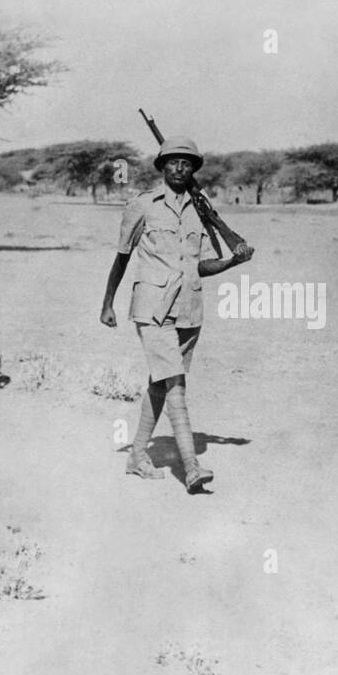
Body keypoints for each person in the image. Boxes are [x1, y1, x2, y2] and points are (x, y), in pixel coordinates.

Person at [100, 137, 252, 493]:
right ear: (162, 166)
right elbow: (121, 257)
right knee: (177, 385)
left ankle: (137, 455)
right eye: (173, 162)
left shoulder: (201, 208)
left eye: (187, 163)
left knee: (161, 381)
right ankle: (192, 467)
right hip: (152, 308)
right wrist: (107, 303)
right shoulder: (143, 205)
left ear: (193, 169)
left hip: (189, 308)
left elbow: (200, 265)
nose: (180, 168)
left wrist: (232, 260)